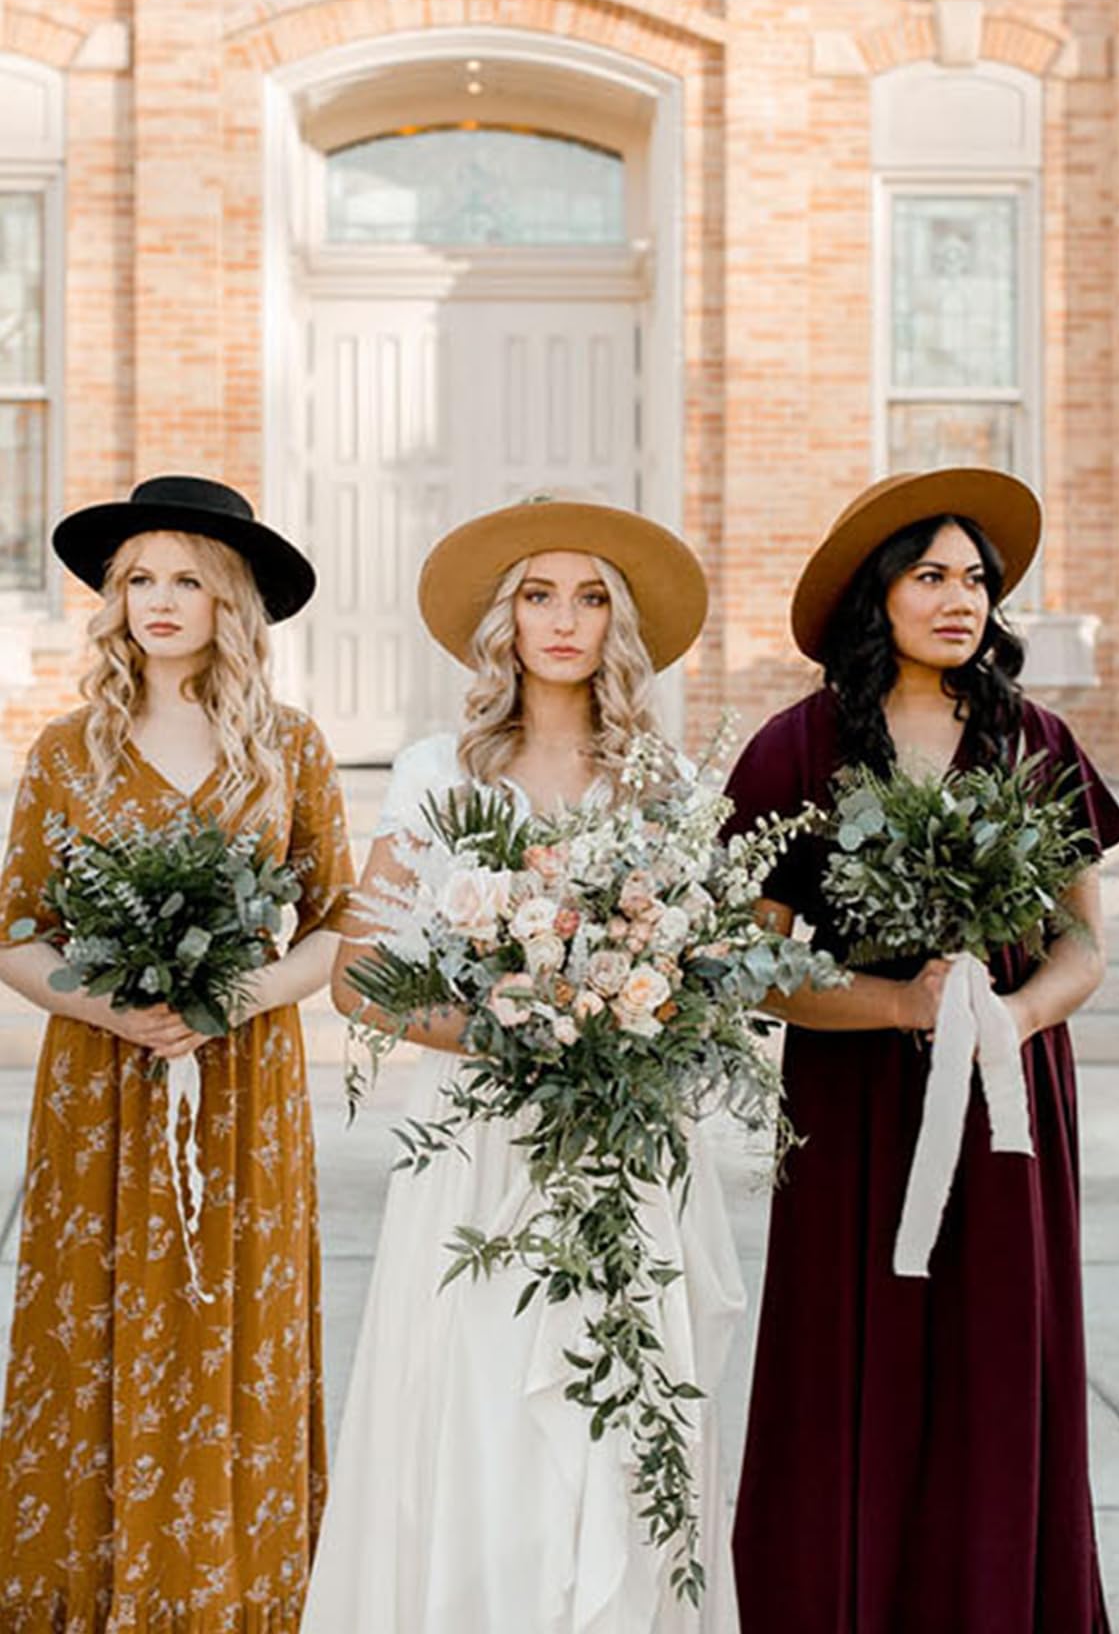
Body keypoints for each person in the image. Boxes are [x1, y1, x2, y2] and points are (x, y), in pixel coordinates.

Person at [305, 495, 741, 1634]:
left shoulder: (668, 784)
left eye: (591, 595)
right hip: (481, 1137)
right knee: (481, 1397)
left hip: (627, 1139)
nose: (563, 619)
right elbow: (359, 974)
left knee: (621, 1403)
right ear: (505, 620)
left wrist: (625, 1021)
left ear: (619, 623)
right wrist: (512, 1034)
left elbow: (709, 969)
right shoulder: (437, 770)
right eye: (539, 594)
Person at [722, 466, 1119, 1634]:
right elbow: (746, 964)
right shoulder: (797, 745)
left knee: (999, 1358)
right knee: (848, 1358)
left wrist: (1008, 1015)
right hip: (855, 1096)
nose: (958, 598)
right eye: (928, 574)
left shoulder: (1034, 737)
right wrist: (895, 1004)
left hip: (1007, 1097)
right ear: (876, 594)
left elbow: (1084, 949)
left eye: (974, 579)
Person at [0, 474, 354, 1627]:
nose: (159, 598)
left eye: (187, 578)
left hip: (242, 1080)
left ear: (229, 602)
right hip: (100, 1083)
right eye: (138, 577)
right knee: (91, 1327)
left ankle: (227, 1595)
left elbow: (341, 922)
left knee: (230, 1329)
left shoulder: (289, 748)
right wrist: (110, 1005)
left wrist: (234, 994)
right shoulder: (66, 750)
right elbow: (14, 927)